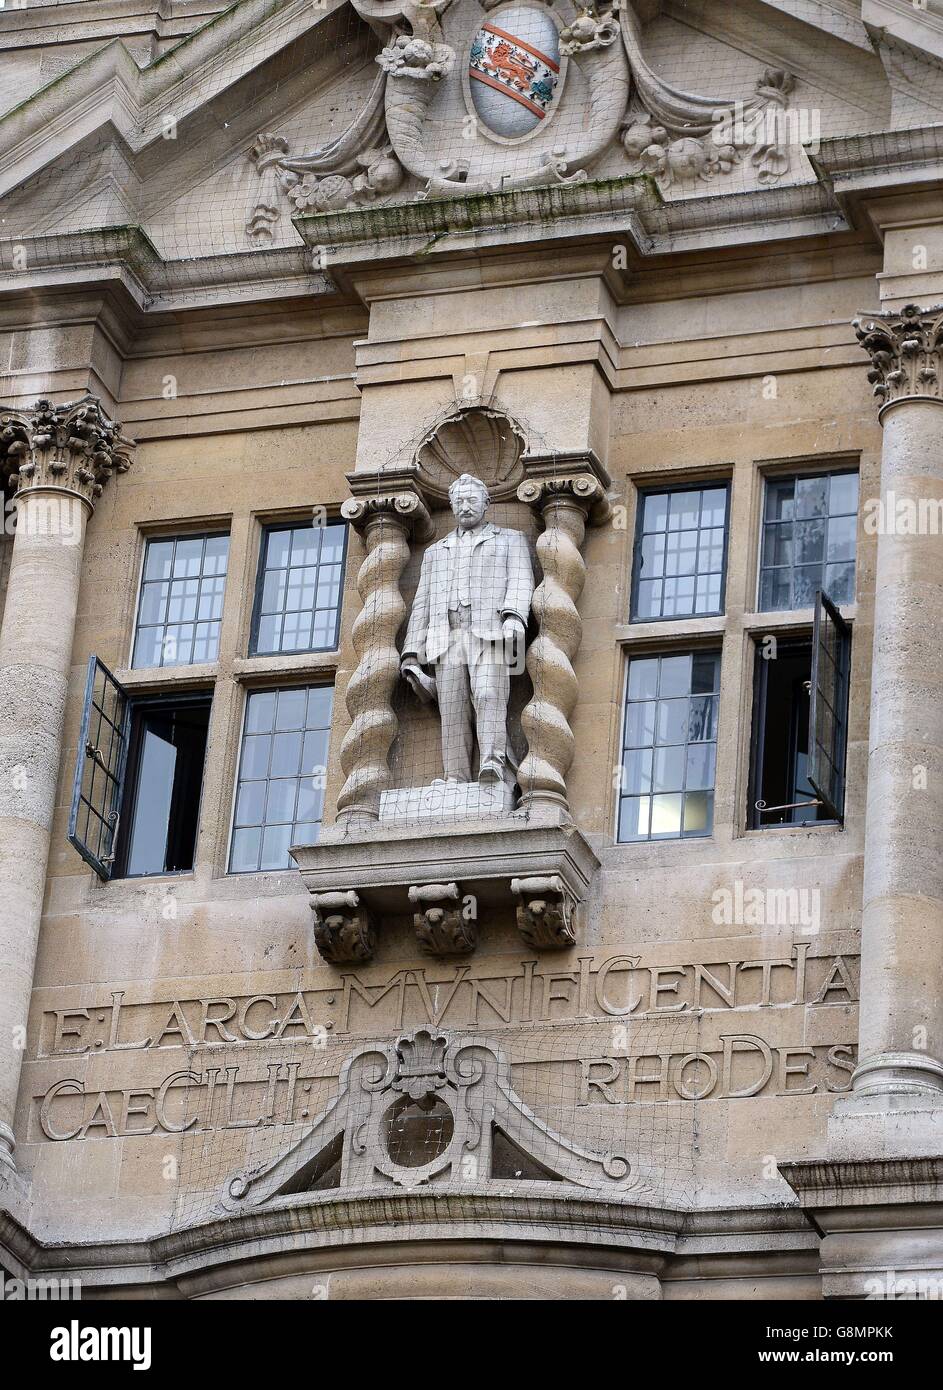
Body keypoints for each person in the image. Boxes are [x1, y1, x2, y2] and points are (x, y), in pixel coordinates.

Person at [401, 473, 534, 786]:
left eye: (472, 500)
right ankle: (455, 777)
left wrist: (515, 617)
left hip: (489, 634)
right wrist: (410, 652)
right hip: (445, 637)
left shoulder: (509, 539)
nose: (465, 506)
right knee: (452, 707)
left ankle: (493, 764)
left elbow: (520, 580)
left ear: (486, 503)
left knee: (488, 693)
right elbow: (422, 602)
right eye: (459, 501)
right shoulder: (435, 552)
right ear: (451, 505)